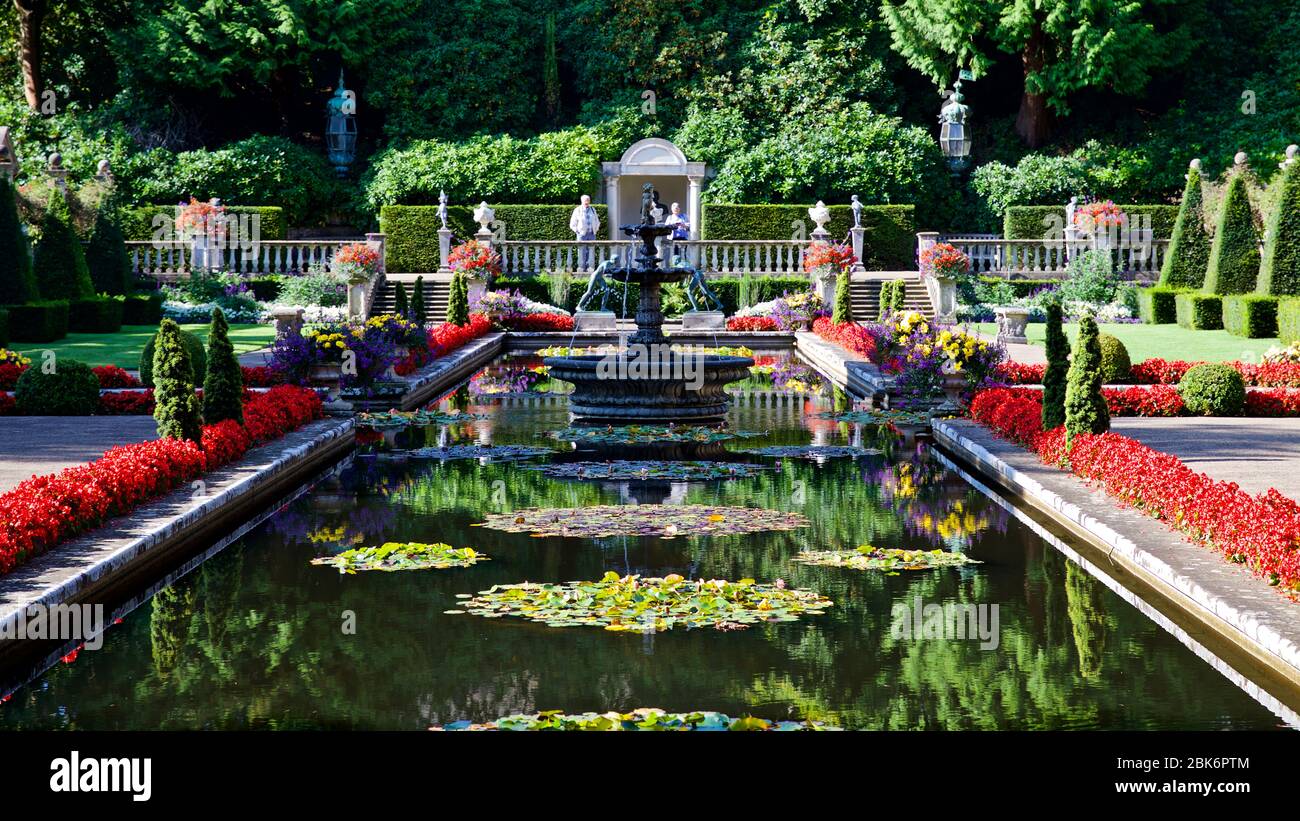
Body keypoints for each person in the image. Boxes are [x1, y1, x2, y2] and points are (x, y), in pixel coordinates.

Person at [569, 194, 600, 270]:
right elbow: (572, 223)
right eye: (585, 200)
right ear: (582, 201)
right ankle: (582, 268)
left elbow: (597, 220)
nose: (587, 202)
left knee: (591, 252)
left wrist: (596, 228)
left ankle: (590, 268)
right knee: (582, 252)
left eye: (588, 200)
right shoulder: (577, 210)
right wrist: (577, 231)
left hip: (592, 234)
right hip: (582, 235)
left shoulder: (593, 209)